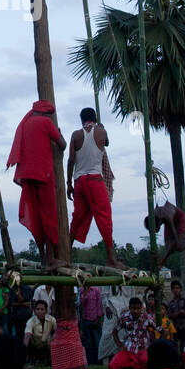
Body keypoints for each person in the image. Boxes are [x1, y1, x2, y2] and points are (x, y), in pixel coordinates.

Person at [6, 99, 67, 269]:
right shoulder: (46, 123)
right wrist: (59, 133)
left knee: (35, 215)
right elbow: (62, 145)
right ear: (46, 113)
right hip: (43, 175)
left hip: (27, 176)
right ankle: (51, 259)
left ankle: (42, 257)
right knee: (49, 216)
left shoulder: (25, 124)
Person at [66, 107, 124, 267]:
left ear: (82, 119)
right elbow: (107, 143)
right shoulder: (101, 132)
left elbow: (71, 160)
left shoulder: (76, 135)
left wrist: (68, 183)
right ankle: (111, 258)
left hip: (79, 181)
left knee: (77, 217)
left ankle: (67, 254)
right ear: (95, 118)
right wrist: (103, 128)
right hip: (95, 180)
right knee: (104, 217)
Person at [109, 297, 155, 369]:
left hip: (142, 350)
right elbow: (114, 332)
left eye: (138, 308)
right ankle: (134, 367)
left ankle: (131, 367)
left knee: (148, 364)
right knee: (112, 366)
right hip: (128, 350)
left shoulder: (146, 317)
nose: (136, 311)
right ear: (129, 308)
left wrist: (153, 347)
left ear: (141, 308)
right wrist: (119, 345)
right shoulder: (124, 317)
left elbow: (160, 330)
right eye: (133, 308)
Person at [145, 201, 185, 267]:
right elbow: (168, 246)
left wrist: (163, 260)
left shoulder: (167, 217)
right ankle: (162, 260)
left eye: (156, 229)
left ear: (158, 224)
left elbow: (175, 240)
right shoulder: (153, 217)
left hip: (179, 218)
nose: (156, 232)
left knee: (179, 247)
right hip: (168, 218)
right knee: (168, 245)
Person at [22, 300, 56, 366]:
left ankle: (51, 359)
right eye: (37, 309)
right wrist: (23, 349)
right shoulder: (31, 321)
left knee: (56, 337)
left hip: (47, 344)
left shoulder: (51, 319)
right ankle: (31, 358)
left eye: (42, 309)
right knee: (27, 340)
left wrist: (52, 339)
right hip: (35, 345)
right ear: (34, 311)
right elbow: (27, 335)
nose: (39, 311)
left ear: (46, 311)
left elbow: (58, 330)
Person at [78, 283, 104, 365]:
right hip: (85, 319)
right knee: (87, 342)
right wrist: (85, 292)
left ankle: (98, 360)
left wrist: (99, 318)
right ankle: (89, 361)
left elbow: (99, 304)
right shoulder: (81, 290)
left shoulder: (96, 290)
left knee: (97, 341)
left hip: (95, 319)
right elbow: (81, 303)